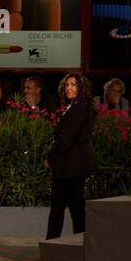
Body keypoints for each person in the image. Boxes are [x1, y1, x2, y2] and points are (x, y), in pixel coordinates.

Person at [45, 71, 95, 239]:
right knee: (74, 209)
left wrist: (50, 158)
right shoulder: (75, 107)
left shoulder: (79, 108)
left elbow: (66, 139)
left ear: (81, 87)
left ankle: (53, 246)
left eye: (73, 85)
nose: (69, 88)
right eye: (67, 85)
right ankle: (78, 246)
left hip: (70, 167)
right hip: (72, 167)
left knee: (61, 209)